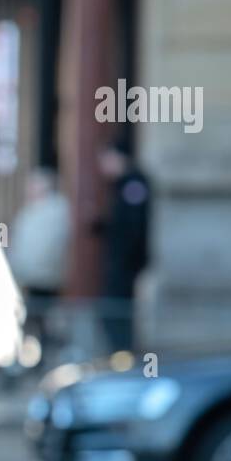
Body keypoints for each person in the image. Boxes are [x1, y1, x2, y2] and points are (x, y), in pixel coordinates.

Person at [9, 168, 70, 364]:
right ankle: (35, 361)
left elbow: (49, 246)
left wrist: (38, 267)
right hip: (31, 276)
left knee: (41, 321)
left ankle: (45, 359)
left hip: (45, 277)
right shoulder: (31, 211)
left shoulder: (54, 211)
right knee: (35, 322)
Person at [95, 144, 150, 353]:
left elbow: (133, 227)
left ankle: (123, 358)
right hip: (122, 263)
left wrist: (125, 260)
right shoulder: (123, 185)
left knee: (116, 312)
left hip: (125, 265)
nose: (102, 167)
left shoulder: (133, 184)